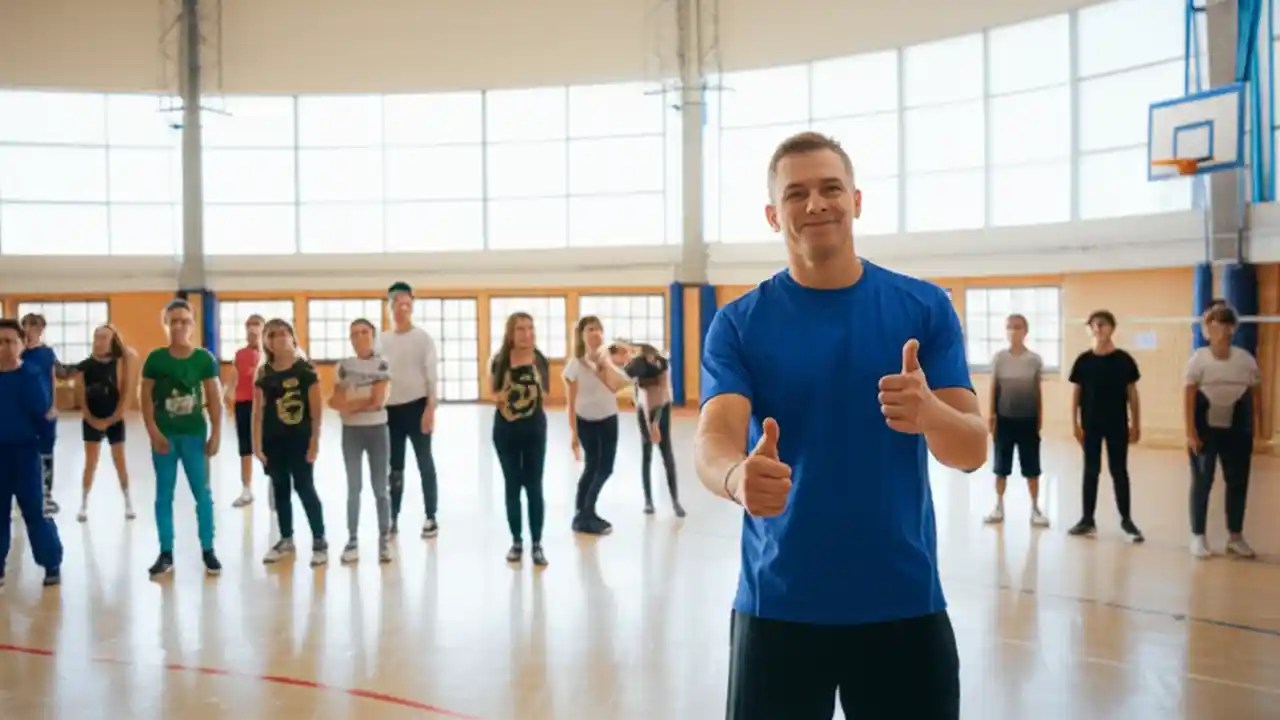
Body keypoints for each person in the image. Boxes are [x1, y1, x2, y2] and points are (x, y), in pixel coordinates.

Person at [695, 131, 985, 719]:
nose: (816, 203)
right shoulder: (739, 324)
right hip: (778, 604)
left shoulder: (924, 308)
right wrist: (735, 478)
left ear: (856, 200)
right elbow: (713, 437)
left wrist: (931, 414)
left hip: (902, 602)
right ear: (773, 214)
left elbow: (972, 449)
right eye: (796, 193)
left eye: (831, 188)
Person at [140, 298, 222, 578]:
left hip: (194, 436)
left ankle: (208, 549)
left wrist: (216, 433)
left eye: (184, 321)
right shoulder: (155, 359)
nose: (178, 326)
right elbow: (145, 398)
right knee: (164, 494)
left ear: (192, 324)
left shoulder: (203, 359)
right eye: (173, 321)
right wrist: (153, 431)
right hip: (165, 437)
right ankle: (166, 552)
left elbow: (214, 398)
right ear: (166, 324)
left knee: (203, 493)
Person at [1184, 306, 1259, 559]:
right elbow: (1189, 395)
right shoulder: (1198, 359)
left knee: (1238, 481)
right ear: (1207, 329)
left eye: (1224, 325)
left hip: (1237, 429)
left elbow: (1256, 393)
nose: (1218, 330)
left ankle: (1235, 537)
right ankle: (1198, 536)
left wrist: (1256, 427)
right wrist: (1190, 432)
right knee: (1202, 480)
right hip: (1205, 428)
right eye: (1212, 325)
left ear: (1232, 328)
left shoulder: (1245, 359)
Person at [254, 319, 328, 568]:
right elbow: (258, 412)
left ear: (292, 337)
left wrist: (314, 441)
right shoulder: (264, 374)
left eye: (284, 333)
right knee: (280, 488)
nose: (280, 338)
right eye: (273, 334)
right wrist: (257, 444)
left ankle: (319, 540)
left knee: (305, 487)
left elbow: (317, 411)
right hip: (274, 442)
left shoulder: (305, 371)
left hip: (300, 440)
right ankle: (286, 539)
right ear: (266, 342)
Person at [1067, 310, 1144, 542]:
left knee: (1119, 471)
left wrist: (1136, 423)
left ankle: (1127, 521)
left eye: (1102, 324)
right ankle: (1087, 520)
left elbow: (1132, 393)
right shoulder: (1083, 361)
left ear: (1112, 328)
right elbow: (1076, 393)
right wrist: (1074, 424)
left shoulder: (1124, 360)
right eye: (1094, 325)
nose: (1098, 328)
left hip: (1117, 424)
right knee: (1090, 471)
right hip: (1090, 424)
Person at [0, 318, 63, 588]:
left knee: (36, 512)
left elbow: (44, 416)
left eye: (9, 341)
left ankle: (51, 563)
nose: (4, 347)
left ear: (22, 344)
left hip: (26, 455)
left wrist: (45, 447)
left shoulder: (31, 376)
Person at [379, 281, 440, 538]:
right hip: (390, 412)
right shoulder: (381, 340)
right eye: (398, 304)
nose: (402, 309)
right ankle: (393, 517)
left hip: (417, 407)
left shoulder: (422, 339)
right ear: (390, 307)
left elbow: (432, 376)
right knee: (394, 467)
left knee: (424, 461)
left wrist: (430, 409)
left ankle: (430, 516)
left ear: (412, 306)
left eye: (407, 304)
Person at [490, 312, 550, 567]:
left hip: (534, 430)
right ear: (510, 334)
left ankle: (537, 543)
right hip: (506, 431)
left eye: (530, 328)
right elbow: (493, 393)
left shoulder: (540, 360)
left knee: (534, 487)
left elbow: (546, 393)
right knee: (512, 485)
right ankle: (516, 541)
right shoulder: (500, 360)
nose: (527, 334)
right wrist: (507, 396)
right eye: (520, 329)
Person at [330, 319, 393, 565]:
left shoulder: (382, 364)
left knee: (380, 488)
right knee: (353, 487)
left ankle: (384, 539)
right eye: (354, 333)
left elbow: (377, 401)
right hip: (351, 433)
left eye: (364, 332)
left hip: (377, 430)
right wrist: (352, 404)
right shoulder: (343, 366)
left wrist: (351, 405)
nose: (359, 337)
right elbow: (335, 401)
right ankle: (352, 539)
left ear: (373, 335)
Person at [563, 317, 628, 535]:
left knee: (606, 468)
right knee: (592, 467)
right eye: (591, 329)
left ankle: (584, 513)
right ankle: (585, 514)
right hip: (586, 421)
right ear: (582, 335)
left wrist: (605, 365)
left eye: (599, 329)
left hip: (608, 418)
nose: (596, 333)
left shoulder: (608, 359)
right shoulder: (575, 364)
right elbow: (571, 402)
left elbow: (616, 386)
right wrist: (573, 434)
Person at [983, 314, 1047, 527]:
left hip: (1028, 420)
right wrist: (991, 415)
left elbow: (1037, 390)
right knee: (1001, 467)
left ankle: (1035, 508)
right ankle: (998, 507)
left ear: (1026, 331)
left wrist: (1040, 416)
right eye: (1010, 327)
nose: (1013, 331)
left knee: (1032, 467)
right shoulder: (999, 358)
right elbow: (994, 387)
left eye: (1018, 327)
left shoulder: (1034, 360)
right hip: (1004, 421)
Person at [73, 324, 138, 522]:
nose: (99, 342)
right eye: (97, 337)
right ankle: (83, 504)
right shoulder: (84, 366)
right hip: (92, 420)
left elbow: (125, 394)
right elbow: (81, 398)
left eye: (104, 338)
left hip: (114, 419)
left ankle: (128, 502)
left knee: (120, 461)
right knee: (90, 462)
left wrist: (112, 419)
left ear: (112, 341)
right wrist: (92, 419)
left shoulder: (121, 364)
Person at [623, 342, 684, 517]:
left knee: (667, 454)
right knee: (646, 453)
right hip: (644, 410)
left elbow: (665, 394)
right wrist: (649, 425)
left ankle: (675, 501)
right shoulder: (637, 365)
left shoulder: (662, 364)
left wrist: (656, 423)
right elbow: (640, 397)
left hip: (662, 408)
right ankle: (648, 501)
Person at [20, 313, 60, 516]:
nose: (30, 330)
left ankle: (46, 495)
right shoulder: (17, 352)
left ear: (41, 330)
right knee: (21, 452)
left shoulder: (47, 353)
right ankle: (21, 496)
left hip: (45, 411)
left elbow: (52, 380)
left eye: (34, 326)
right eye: (27, 325)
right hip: (22, 412)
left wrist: (54, 405)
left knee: (46, 452)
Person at [224, 314, 265, 509]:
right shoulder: (240, 354)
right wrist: (227, 391)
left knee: (267, 445)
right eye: (250, 326)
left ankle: (277, 488)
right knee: (245, 447)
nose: (253, 329)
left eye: (257, 326)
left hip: (263, 404)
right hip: (243, 403)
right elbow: (235, 375)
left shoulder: (268, 354)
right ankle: (246, 489)